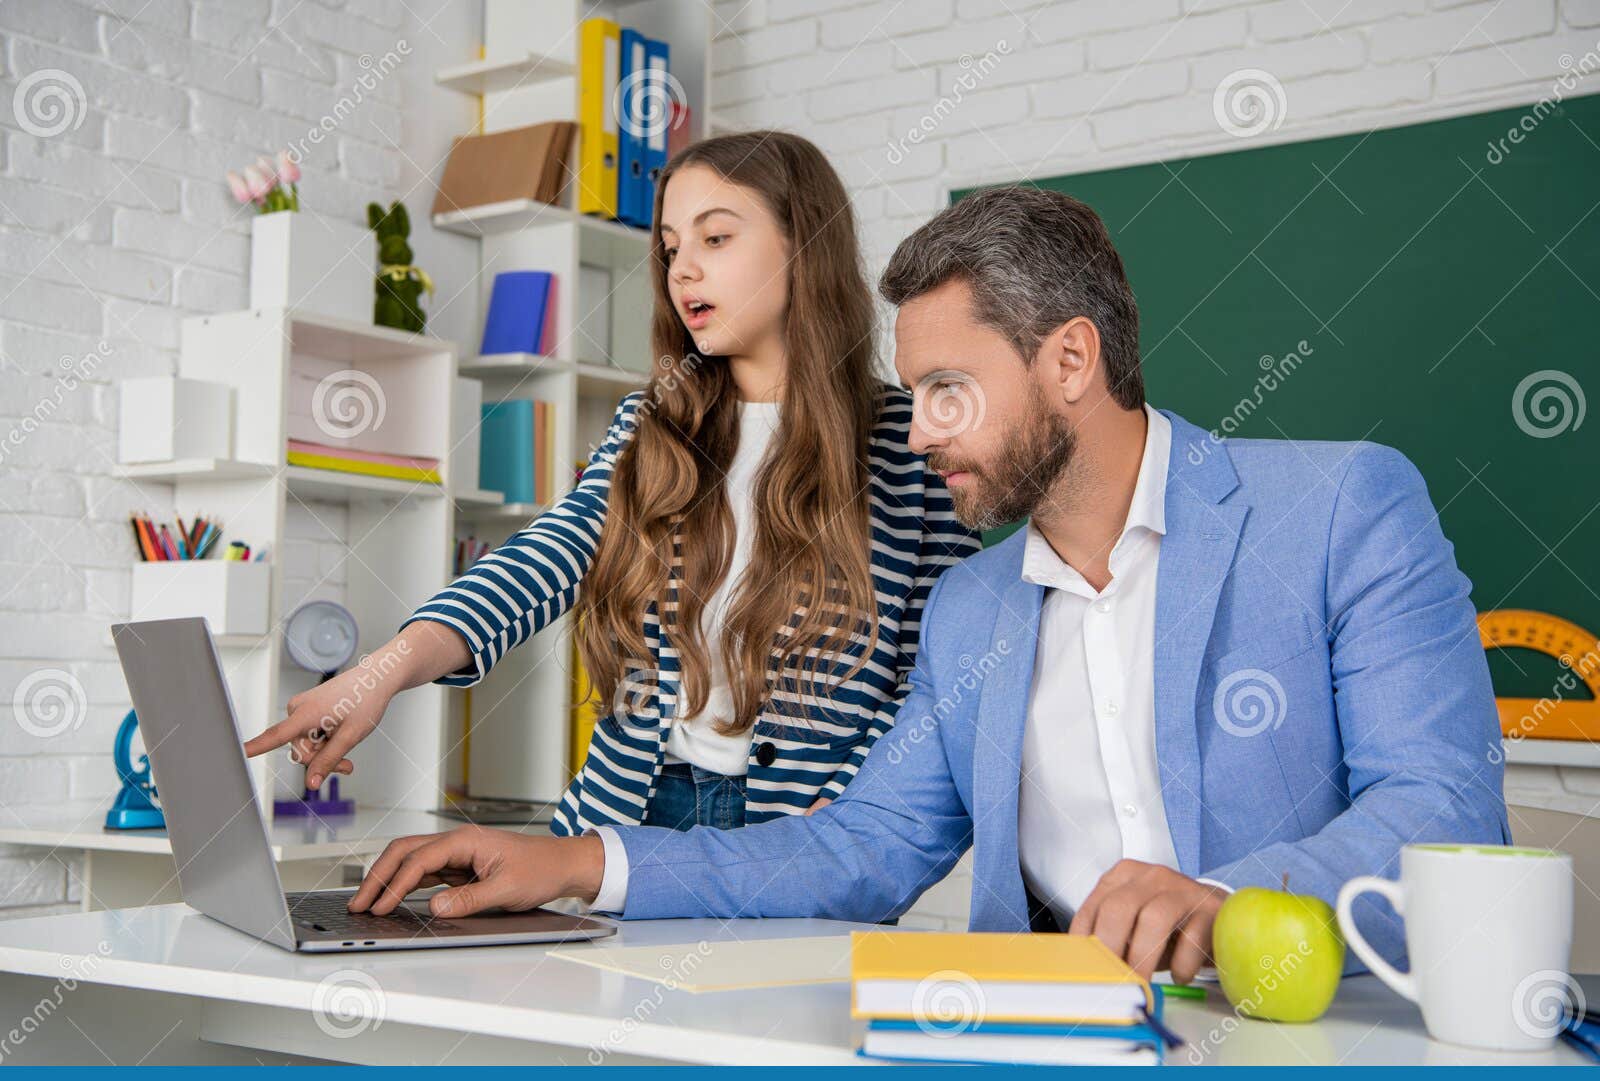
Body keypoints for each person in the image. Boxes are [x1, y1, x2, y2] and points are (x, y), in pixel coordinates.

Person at [344, 185, 1510, 982]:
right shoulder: (975, 608)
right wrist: (580, 861)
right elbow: (860, 846)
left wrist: (1229, 898)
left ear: (1069, 360)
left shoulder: (1339, 508)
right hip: (1050, 1058)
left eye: (948, 390)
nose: (916, 434)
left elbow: (1446, 807)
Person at [244, 131, 978, 835]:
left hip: (808, 834)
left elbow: (935, 672)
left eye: (715, 239)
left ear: (804, 244)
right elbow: (546, 558)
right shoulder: (650, 426)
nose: (682, 269)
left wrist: (861, 806)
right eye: (669, 249)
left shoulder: (911, 443)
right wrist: (384, 670)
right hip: (624, 818)